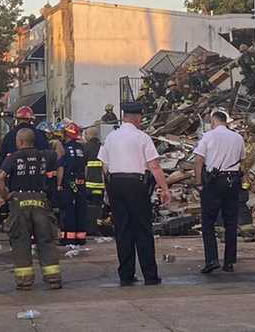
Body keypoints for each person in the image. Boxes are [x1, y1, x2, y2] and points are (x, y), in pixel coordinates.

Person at [98, 101, 171, 286]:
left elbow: (103, 166)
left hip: (116, 184)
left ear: (123, 117)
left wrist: (108, 189)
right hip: (136, 185)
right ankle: (150, 275)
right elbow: (154, 165)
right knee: (143, 230)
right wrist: (164, 189)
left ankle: (126, 275)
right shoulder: (142, 137)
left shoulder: (111, 137)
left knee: (122, 231)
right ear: (137, 117)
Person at [0, 128, 62, 290]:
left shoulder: (13, 158)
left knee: (21, 241)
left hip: (19, 202)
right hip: (40, 200)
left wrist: (5, 195)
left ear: (19, 142)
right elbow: (60, 153)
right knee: (46, 240)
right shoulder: (45, 156)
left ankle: (25, 281)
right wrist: (55, 142)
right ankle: (53, 278)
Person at [192, 110, 246, 274]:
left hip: (214, 182)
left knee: (208, 222)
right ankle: (229, 261)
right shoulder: (238, 137)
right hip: (233, 181)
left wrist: (199, 182)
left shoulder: (208, 136)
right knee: (231, 222)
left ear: (214, 121)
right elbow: (242, 160)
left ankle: (212, 259)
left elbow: (198, 160)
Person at [57, 122, 90, 246]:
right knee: (81, 209)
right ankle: (81, 237)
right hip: (80, 182)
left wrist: (59, 184)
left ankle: (68, 238)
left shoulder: (64, 150)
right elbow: (85, 168)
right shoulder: (82, 148)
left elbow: (61, 168)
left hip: (68, 182)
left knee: (68, 209)